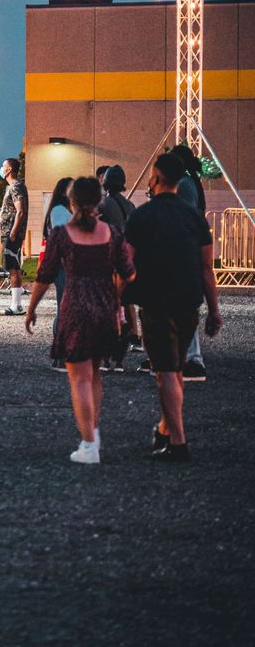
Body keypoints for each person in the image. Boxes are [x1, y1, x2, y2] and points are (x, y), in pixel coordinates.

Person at [25, 176, 134, 465]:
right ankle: (93, 434)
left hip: (74, 309)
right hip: (104, 308)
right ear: (99, 201)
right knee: (95, 375)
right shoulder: (112, 233)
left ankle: (88, 445)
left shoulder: (62, 234)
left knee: (79, 380)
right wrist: (117, 299)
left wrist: (31, 308)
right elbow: (128, 272)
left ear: (71, 202)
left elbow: (45, 275)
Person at [124, 152, 222, 462]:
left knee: (165, 373)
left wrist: (119, 297)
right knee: (175, 371)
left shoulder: (141, 216)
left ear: (156, 178)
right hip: (188, 301)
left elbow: (126, 262)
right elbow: (207, 267)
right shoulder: (194, 217)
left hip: (155, 301)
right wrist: (214, 309)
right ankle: (165, 430)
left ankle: (178, 442)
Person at [170, 142, 208, 382]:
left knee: (180, 305)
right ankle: (186, 356)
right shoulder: (193, 182)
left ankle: (191, 358)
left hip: (183, 249)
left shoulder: (183, 184)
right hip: (190, 248)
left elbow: (180, 215)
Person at [99, 164, 141, 365]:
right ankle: (131, 335)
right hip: (128, 259)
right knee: (125, 301)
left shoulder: (103, 205)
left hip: (109, 260)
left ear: (106, 183)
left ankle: (109, 353)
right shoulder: (130, 206)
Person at [41, 176, 73, 372]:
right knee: (65, 309)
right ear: (64, 192)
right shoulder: (60, 211)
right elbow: (64, 237)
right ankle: (61, 355)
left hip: (64, 265)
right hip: (64, 265)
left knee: (65, 308)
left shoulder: (61, 210)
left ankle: (61, 354)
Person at [0, 157, 28, 316]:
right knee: (13, 266)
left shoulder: (15, 186)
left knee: (13, 268)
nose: (2, 169)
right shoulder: (16, 186)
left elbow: (20, 210)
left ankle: (16, 305)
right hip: (11, 232)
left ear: (9, 169)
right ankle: (16, 304)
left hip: (11, 233)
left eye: (4, 166)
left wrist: (13, 231)